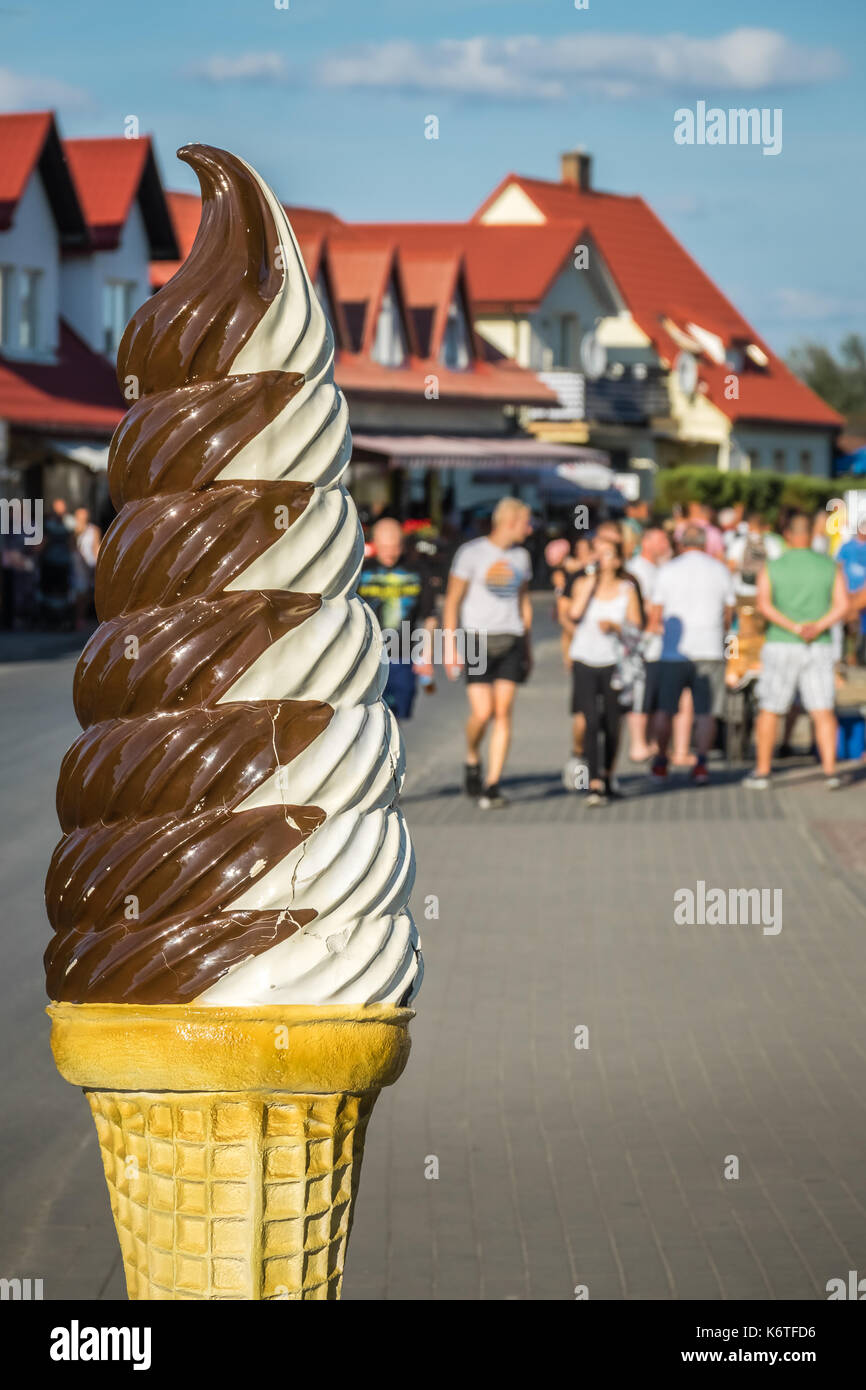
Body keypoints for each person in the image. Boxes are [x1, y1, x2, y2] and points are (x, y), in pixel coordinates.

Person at [744, 511, 849, 790]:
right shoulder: (829, 565)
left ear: (787, 535)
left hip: (782, 642)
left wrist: (793, 626)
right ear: (811, 534)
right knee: (822, 708)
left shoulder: (774, 565)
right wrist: (816, 626)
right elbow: (842, 605)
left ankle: (763, 771)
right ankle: (830, 771)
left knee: (771, 708)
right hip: (819, 643)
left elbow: (763, 604)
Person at [442, 498, 533, 809]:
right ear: (510, 522)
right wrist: (450, 645)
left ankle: (492, 784)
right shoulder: (471, 553)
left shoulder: (522, 557)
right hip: (476, 640)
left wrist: (528, 647)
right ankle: (471, 756)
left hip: (511, 638)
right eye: (526, 522)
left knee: (503, 713)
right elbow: (453, 600)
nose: (530, 528)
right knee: (483, 713)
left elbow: (524, 602)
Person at [648, 523, 735, 785]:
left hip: (674, 651)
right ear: (706, 545)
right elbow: (728, 613)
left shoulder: (668, 570)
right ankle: (701, 764)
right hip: (709, 648)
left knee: (666, 709)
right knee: (706, 711)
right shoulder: (719, 570)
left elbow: (655, 615)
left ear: (681, 544)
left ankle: (661, 761)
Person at [567, 534, 643, 805]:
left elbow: (636, 628)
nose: (601, 559)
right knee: (589, 720)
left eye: (608, 554)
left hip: (615, 662)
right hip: (584, 659)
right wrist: (589, 584)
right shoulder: (584, 583)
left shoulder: (627, 589)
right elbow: (573, 614)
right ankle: (594, 781)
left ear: (618, 560)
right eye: (598, 553)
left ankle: (608, 774)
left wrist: (616, 626)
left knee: (612, 722)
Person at [357, 517, 437, 721]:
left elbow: (429, 616)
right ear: (375, 543)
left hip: (403, 656)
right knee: (370, 718)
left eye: (395, 547)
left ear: (402, 544)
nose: (390, 553)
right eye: (385, 547)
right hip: (368, 658)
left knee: (395, 718)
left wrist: (426, 655)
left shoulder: (419, 572)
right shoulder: (360, 572)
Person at [626, 525, 671, 760]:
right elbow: (639, 606)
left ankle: (652, 742)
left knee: (652, 696)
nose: (666, 545)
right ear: (647, 543)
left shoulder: (659, 568)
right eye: (662, 540)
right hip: (642, 642)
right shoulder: (637, 570)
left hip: (657, 644)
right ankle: (638, 744)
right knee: (640, 695)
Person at [727, 511, 783, 598]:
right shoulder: (772, 543)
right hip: (766, 591)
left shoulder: (739, 542)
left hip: (742, 590)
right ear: (763, 526)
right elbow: (778, 567)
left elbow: (731, 566)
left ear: (748, 525)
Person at [836, 514, 866, 665]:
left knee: (860, 628)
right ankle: (845, 656)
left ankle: (858, 656)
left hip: (862, 595)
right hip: (847, 593)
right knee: (847, 626)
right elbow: (839, 567)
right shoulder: (847, 547)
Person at [71, 506, 101, 629]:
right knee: (78, 592)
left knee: (88, 591)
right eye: (79, 515)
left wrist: (98, 562)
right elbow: (71, 547)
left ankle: (81, 617)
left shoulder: (93, 530)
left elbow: (96, 546)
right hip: (76, 564)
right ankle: (77, 618)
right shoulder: (72, 530)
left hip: (90, 562)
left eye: (84, 515)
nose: (82, 518)